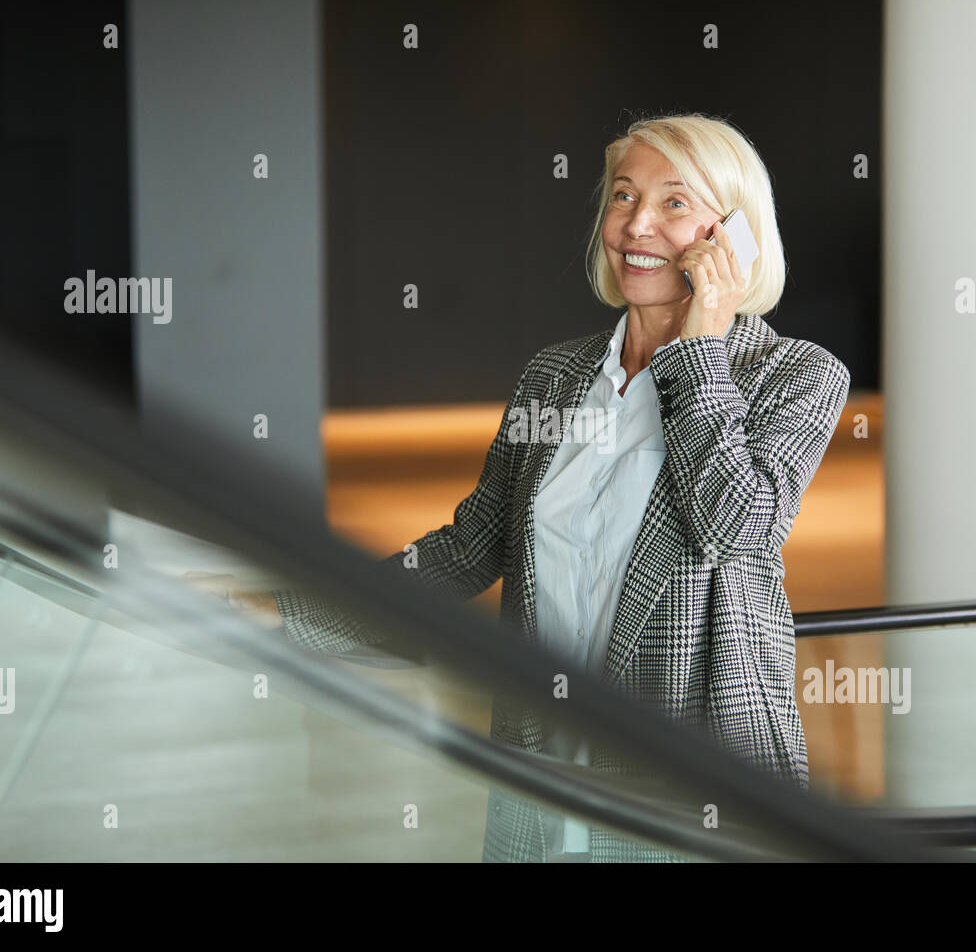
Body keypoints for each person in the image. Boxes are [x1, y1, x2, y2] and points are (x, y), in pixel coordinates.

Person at [208, 112, 850, 862]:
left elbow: (735, 529)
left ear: (733, 234)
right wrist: (294, 613)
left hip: (692, 783)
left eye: (675, 202)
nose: (637, 224)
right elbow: (471, 546)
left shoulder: (794, 375)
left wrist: (703, 347)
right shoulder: (556, 375)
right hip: (538, 772)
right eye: (622, 196)